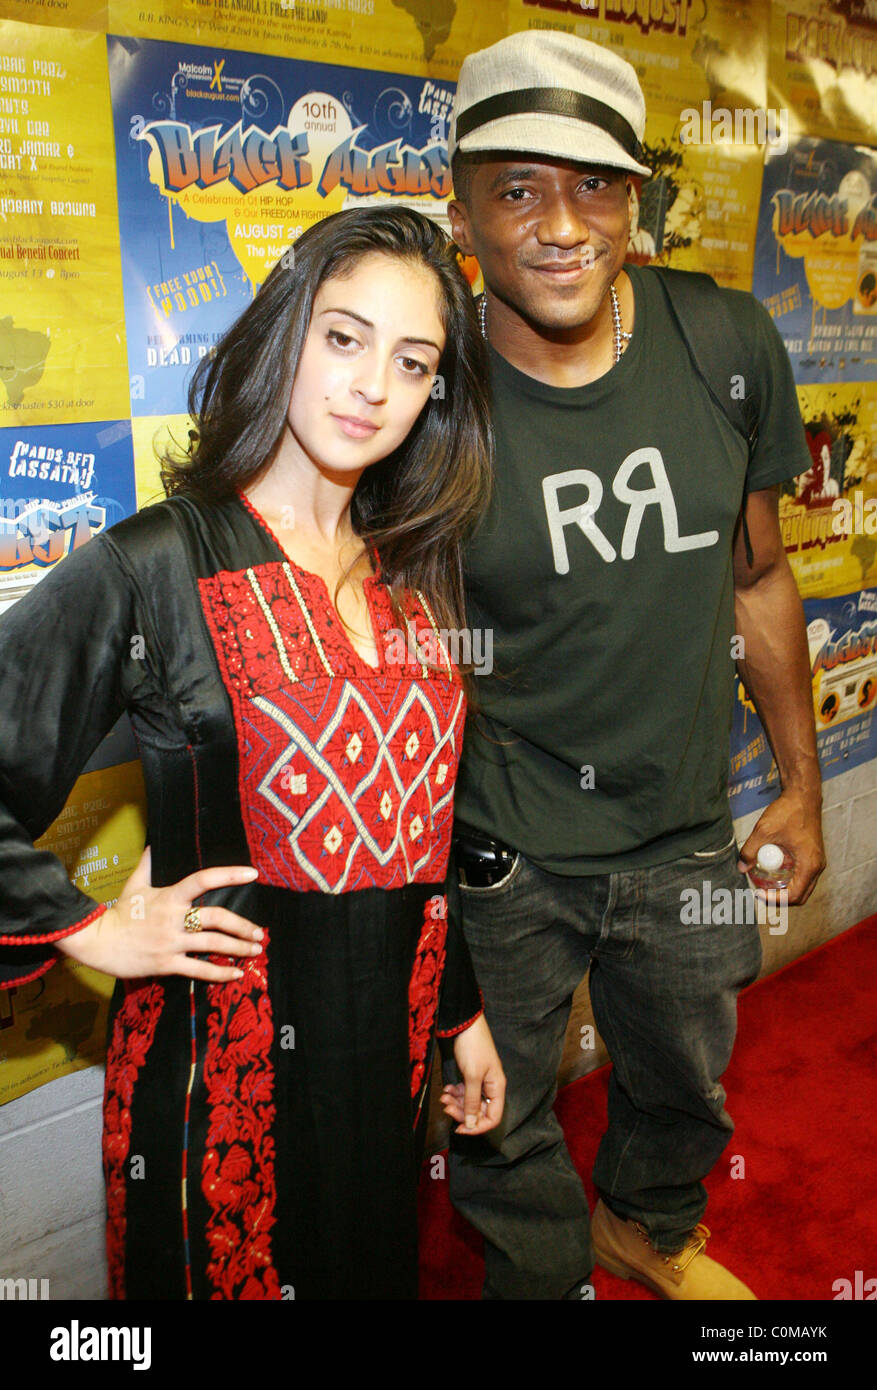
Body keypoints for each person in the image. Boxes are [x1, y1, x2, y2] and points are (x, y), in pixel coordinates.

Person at [0, 205, 506, 1301]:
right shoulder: (155, 563)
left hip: (385, 1069)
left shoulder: (418, 575)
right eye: (344, 337)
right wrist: (91, 928)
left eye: (412, 362)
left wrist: (461, 1015)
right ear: (285, 335)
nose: (371, 385)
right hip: (217, 1086)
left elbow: (419, 838)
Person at [440, 30, 826, 1301]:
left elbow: (757, 576)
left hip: (683, 829)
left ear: (634, 201)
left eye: (593, 185)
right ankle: (542, 1272)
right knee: (495, 1106)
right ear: (460, 210)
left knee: (684, 1076)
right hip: (502, 849)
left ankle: (645, 1227)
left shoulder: (723, 341)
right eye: (517, 188)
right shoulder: (422, 390)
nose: (561, 226)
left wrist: (800, 786)